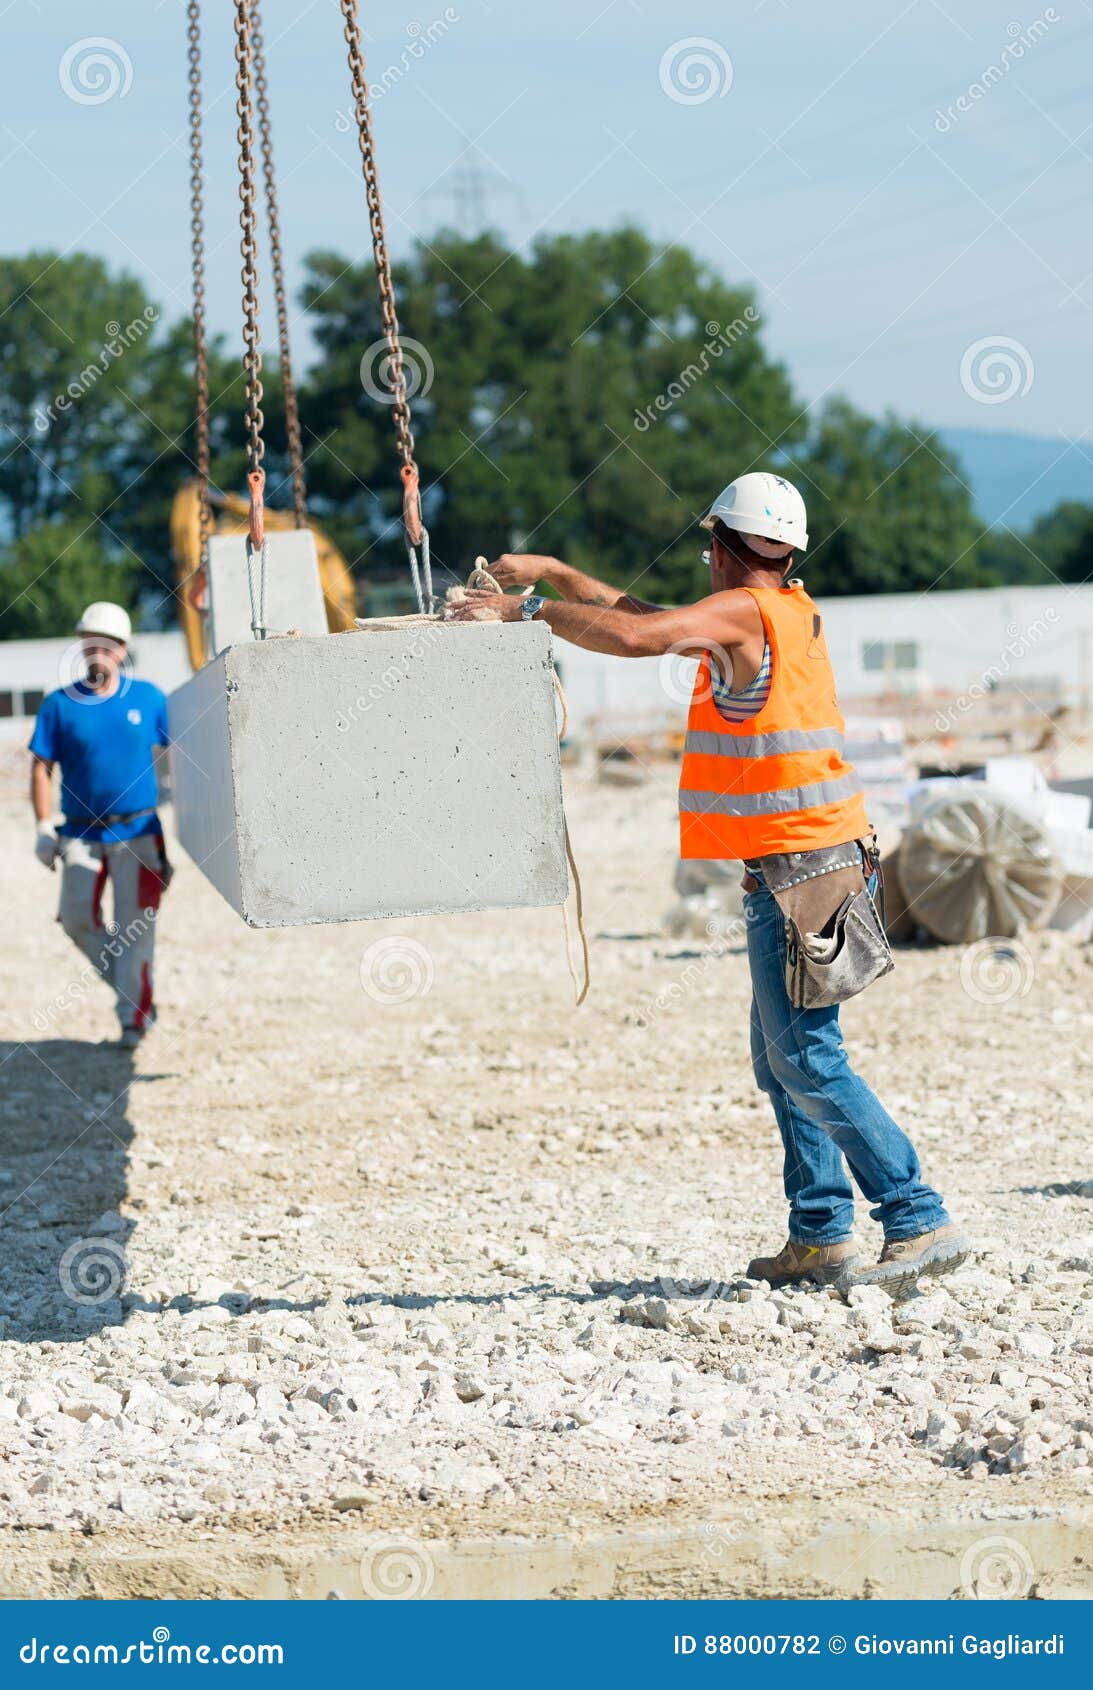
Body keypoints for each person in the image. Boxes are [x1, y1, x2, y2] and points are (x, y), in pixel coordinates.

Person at [451, 472, 970, 1293]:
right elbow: (649, 620)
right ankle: (819, 1235)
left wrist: (526, 610)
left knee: (805, 1059)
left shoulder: (743, 613)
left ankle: (915, 1215)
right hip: (811, 862)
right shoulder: (780, 609)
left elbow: (638, 638)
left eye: (708, 549)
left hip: (800, 871)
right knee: (783, 1060)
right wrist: (556, 572)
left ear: (723, 547)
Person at [30, 602, 171, 1051]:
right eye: (91, 644)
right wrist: (43, 827)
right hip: (79, 833)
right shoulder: (59, 705)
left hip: (139, 833)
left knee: (135, 930)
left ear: (122, 650)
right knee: (76, 919)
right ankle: (135, 991)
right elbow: (40, 768)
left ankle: (133, 1019)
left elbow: (183, 755)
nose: (99, 653)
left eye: (108, 645)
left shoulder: (150, 699)